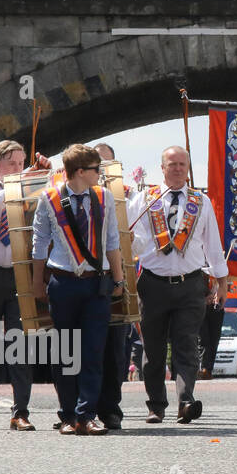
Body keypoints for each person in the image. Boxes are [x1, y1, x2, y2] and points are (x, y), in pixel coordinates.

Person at [30, 144, 125, 436]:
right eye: (97, 169)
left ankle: (87, 414)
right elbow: (39, 241)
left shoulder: (104, 196)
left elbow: (112, 240)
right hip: (63, 281)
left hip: (96, 282)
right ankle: (68, 414)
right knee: (66, 352)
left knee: (94, 351)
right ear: (81, 172)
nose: (101, 174)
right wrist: (36, 283)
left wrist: (119, 281)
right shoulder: (49, 198)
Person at [132, 146, 228, 424]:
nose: (177, 169)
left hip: (190, 284)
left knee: (187, 344)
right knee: (154, 348)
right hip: (152, 284)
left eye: (182, 164)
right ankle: (156, 405)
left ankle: (186, 402)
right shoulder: (144, 200)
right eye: (172, 164)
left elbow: (213, 244)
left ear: (188, 168)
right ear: (162, 168)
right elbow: (131, 238)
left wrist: (221, 282)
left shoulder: (201, 201)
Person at [0, 140, 45, 431]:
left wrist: (41, 179)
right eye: (11, 164)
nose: (17, 169)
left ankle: (21, 411)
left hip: (19, 271)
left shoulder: (29, 188)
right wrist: (16, 184)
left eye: (21, 164)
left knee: (20, 343)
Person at [92, 142, 135, 428]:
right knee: (81, 348)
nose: (101, 172)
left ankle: (110, 408)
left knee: (114, 348)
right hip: (80, 276)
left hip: (113, 278)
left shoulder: (128, 199)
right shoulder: (67, 194)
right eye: (96, 166)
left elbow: (136, 243)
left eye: (106, 166)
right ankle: (78, 409)